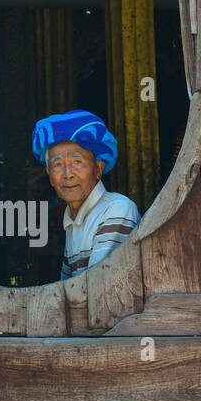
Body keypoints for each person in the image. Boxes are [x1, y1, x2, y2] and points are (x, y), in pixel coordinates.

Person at [31, 109, 141, 280]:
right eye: (58, 164)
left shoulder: (117, 210)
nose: (68, 174)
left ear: (98, 168)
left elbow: (96, 287)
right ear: (49, 175)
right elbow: (67, 287)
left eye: (77, 162)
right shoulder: (72, 222)